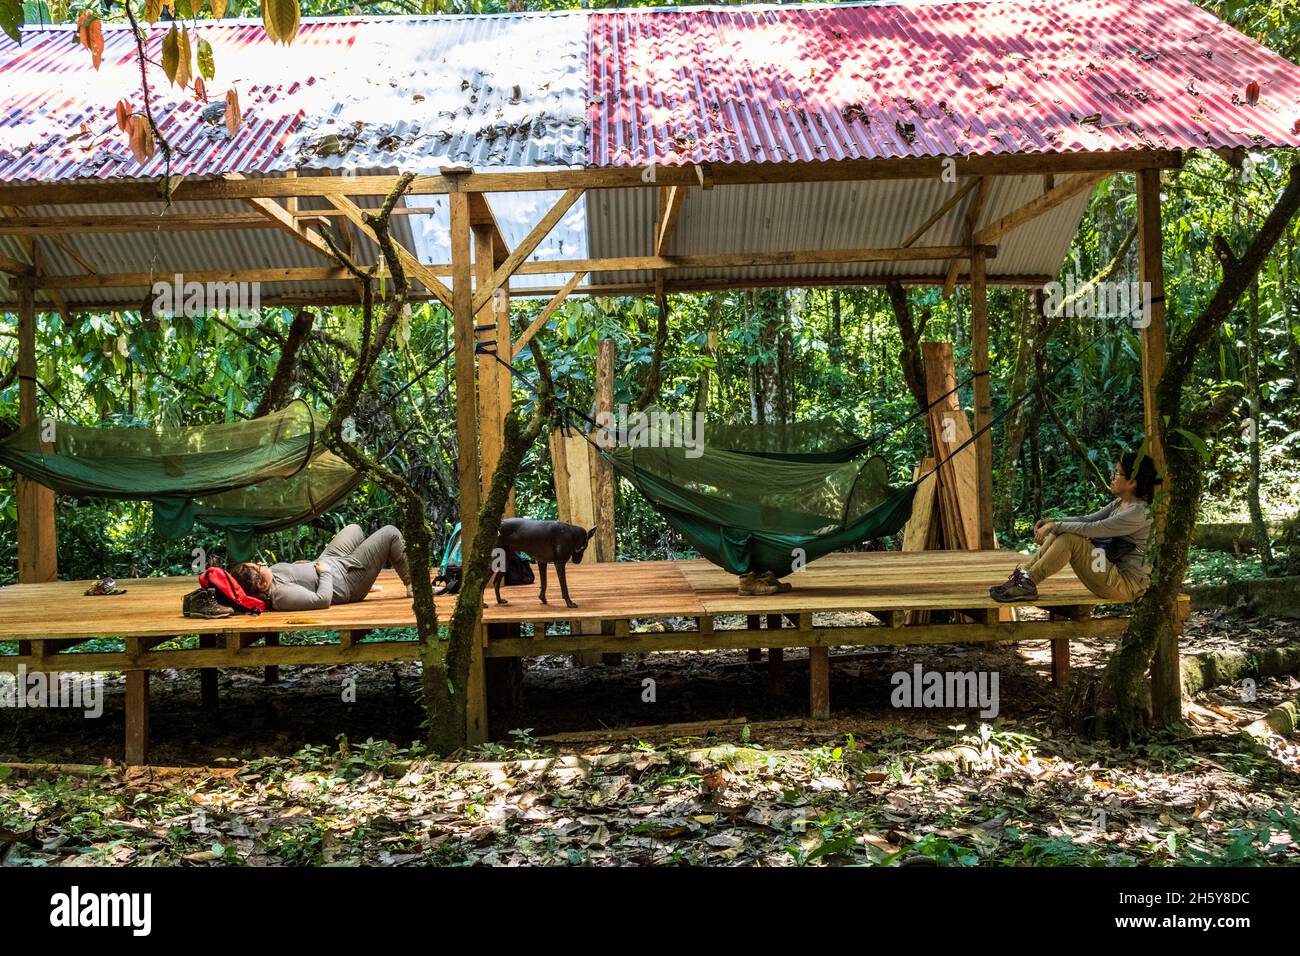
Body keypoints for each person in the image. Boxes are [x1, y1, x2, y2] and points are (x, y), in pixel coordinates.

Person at [989, 451, 1158, 603]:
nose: (1112, 477)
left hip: (1128, 586)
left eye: (1117, 473)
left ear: (1132, 482)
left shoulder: (1139, 512)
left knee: (1070, 538)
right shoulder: (1120, 503)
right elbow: (1086, 519)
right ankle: (1024, 577)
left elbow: (1095, 528)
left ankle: (1028, 582)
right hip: (1109, 573)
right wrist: (1053, 522)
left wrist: (1056, 525)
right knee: (1062, 532)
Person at [231, 524, 411, 612]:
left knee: (354, 529)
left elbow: (297, 577)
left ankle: (366, 575)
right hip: (346, 581)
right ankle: (413, 585)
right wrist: (325, 573)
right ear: (262, 584)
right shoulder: (282, 595)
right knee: (390, 533)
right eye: (259, 566)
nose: (262, 564)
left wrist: (305, 567)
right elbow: (322, 600)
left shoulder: (271, 578)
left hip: (329, 561)